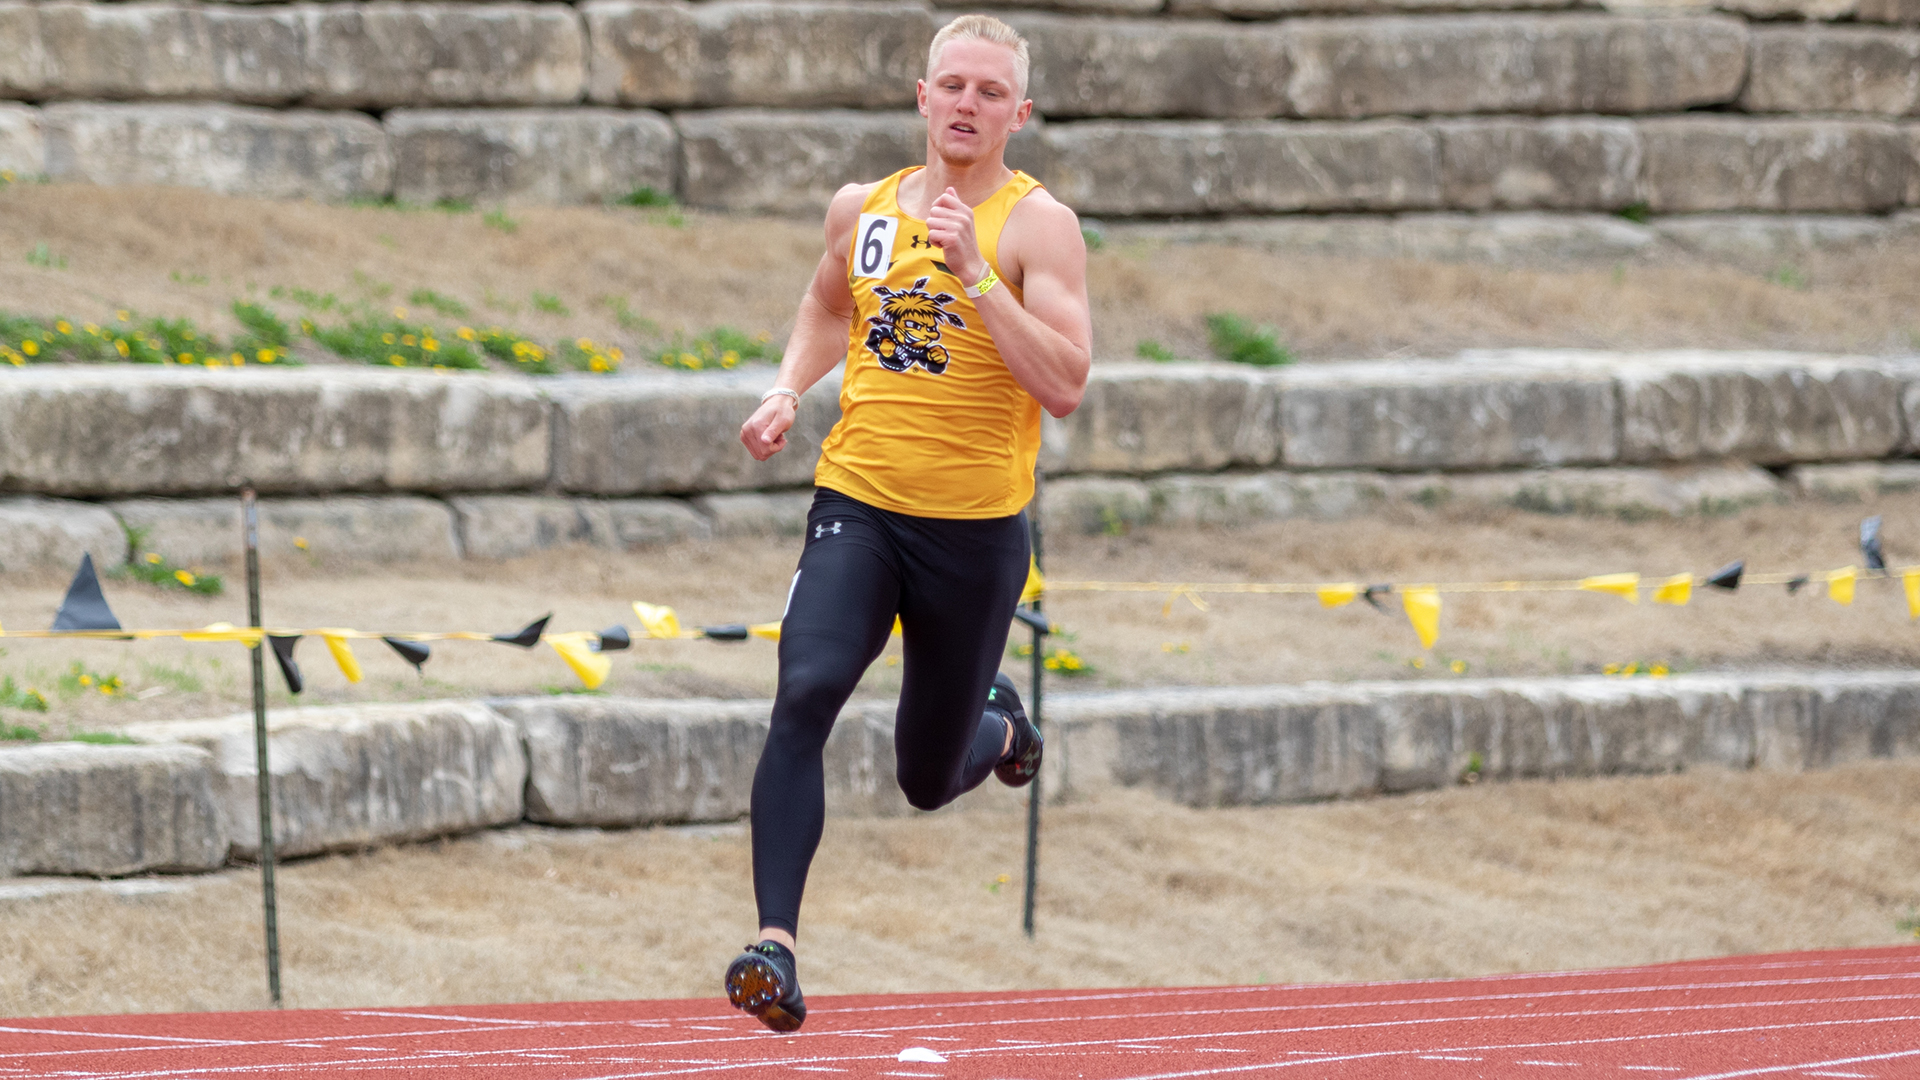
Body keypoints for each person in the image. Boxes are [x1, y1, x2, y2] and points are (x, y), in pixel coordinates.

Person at [725, 13, 1093, 1033]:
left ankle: (1000, 724)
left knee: (927, 776)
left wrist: (977, 277)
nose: (967, 105)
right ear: (921, 97)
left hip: (974, 536)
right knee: (803, 693)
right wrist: (789, 390)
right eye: (952, 86)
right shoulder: (866, 206)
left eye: (989, 92)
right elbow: (829, 306)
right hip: (860, 505)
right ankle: (775, 949)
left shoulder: (1036, 226)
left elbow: (1065, 382)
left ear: (1018, 113)